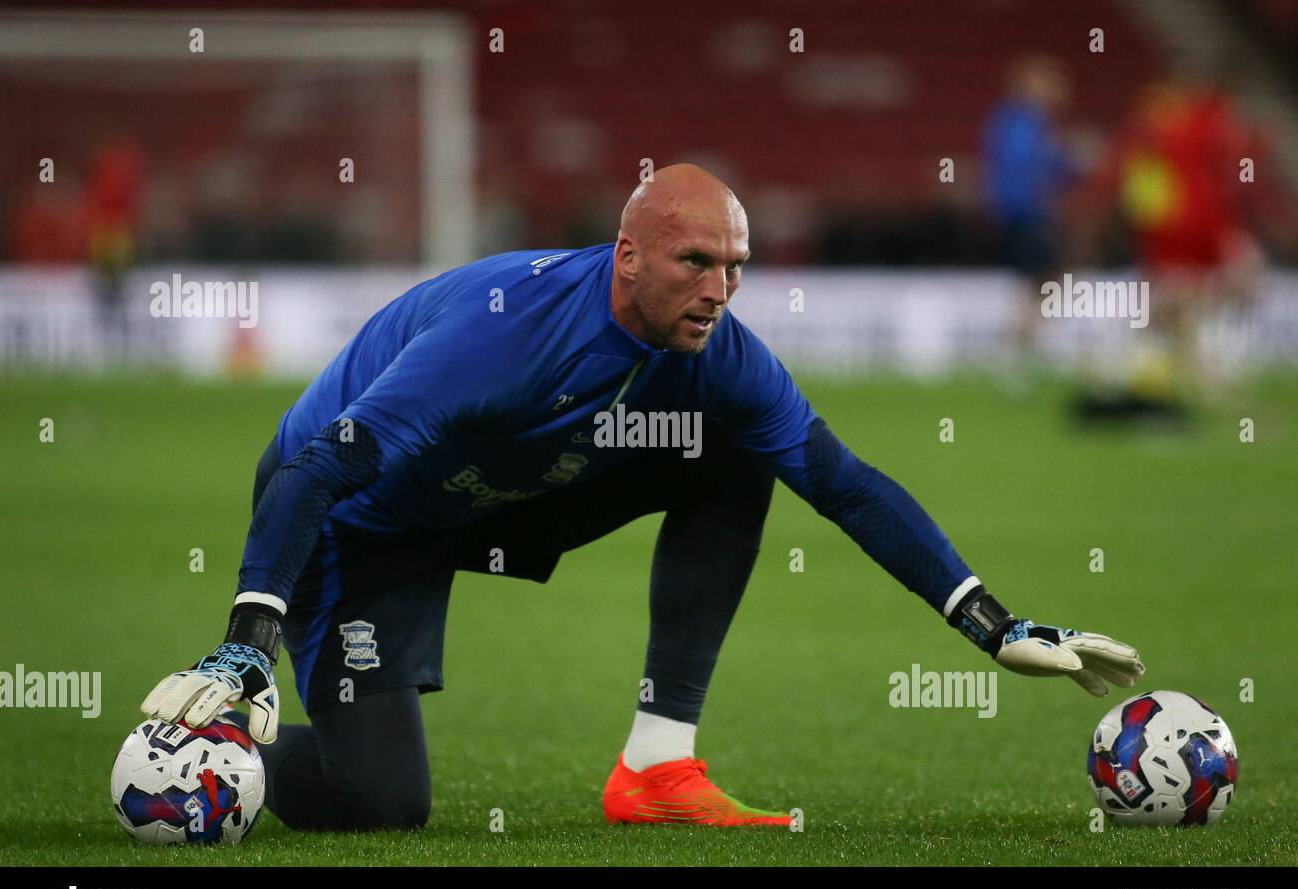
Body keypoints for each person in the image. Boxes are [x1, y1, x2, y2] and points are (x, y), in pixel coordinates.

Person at [141, 164, 1143, 831]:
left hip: (495, 495)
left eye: (735, 268)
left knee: (741, 449)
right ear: (629, 257)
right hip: (354, 518)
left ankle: (658, 762)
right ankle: (206, 751)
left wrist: (990, 620)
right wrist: (248, 635)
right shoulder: (506, 333)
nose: (718, 290)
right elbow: (316, 466)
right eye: (695, 262)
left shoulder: (722, 356)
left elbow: (841, 483)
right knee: (383, 800)